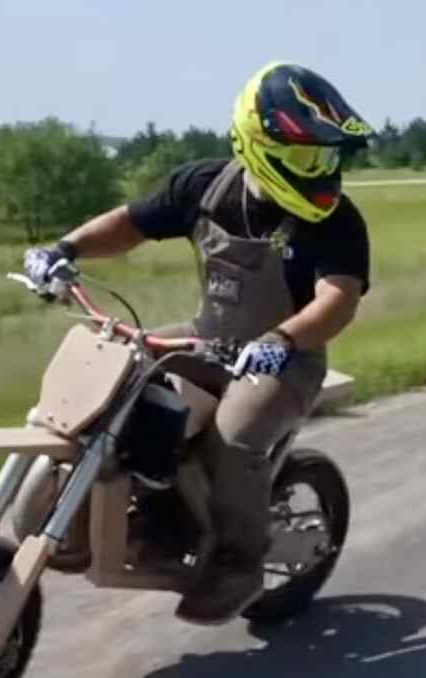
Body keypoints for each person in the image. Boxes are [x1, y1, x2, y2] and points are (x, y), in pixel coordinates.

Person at [21, 61, 375, 624]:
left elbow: (338, 299)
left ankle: (239, 562)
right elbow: (129, 224)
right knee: (115, 380)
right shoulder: (203, 187)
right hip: (206, 338)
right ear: (258, 144)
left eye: (328, 158)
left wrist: (282, 339)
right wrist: (65, 250)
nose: (323, 171)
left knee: (233, 438)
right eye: (308, 158)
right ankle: (132, 512)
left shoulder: (336, 221)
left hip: (286, 358)